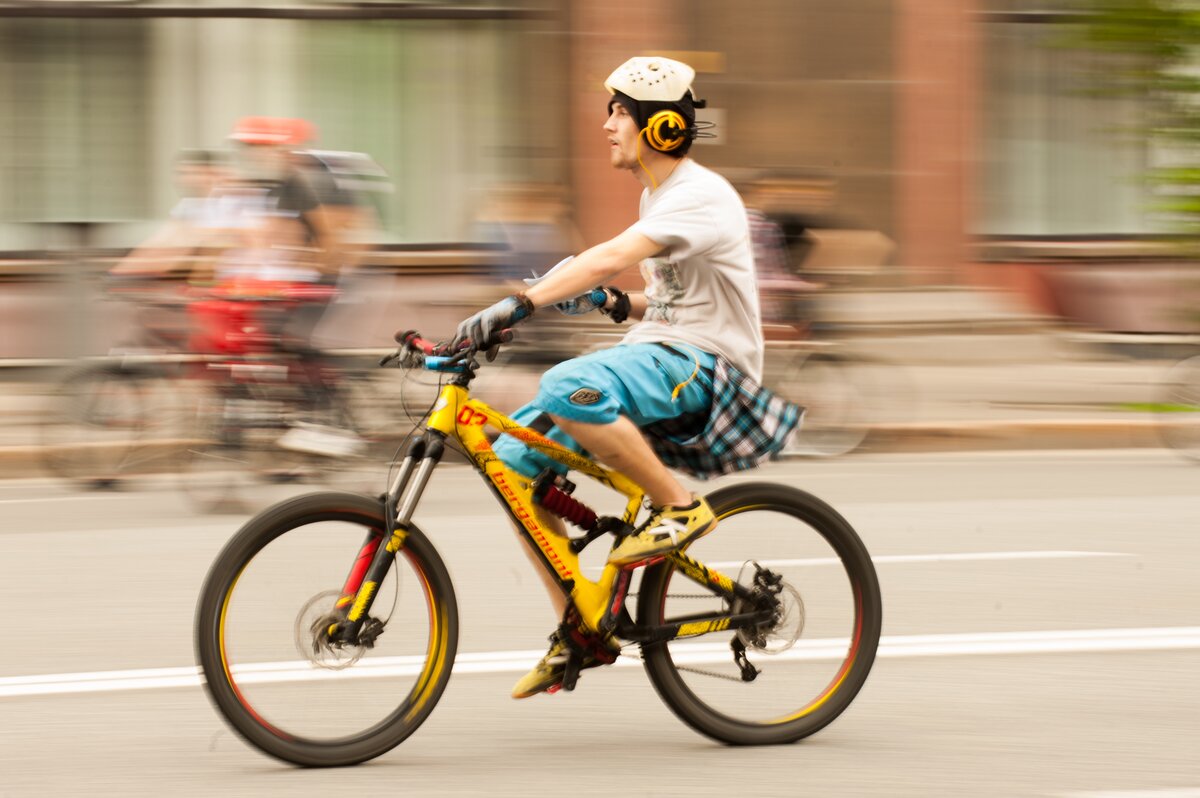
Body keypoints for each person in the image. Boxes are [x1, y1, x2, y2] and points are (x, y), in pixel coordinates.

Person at [449, 56, 801, 698]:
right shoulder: (659, 197)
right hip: (667, 351)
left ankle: (679, 507)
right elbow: (669, 303)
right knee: (512, 462)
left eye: (619, 113)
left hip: (704, 367)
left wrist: (522, 302)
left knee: (564, 385)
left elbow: (611, 255)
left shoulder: (699, 195)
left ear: (661, 127)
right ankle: (580, 625)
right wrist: (614, 303)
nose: (607, 125)